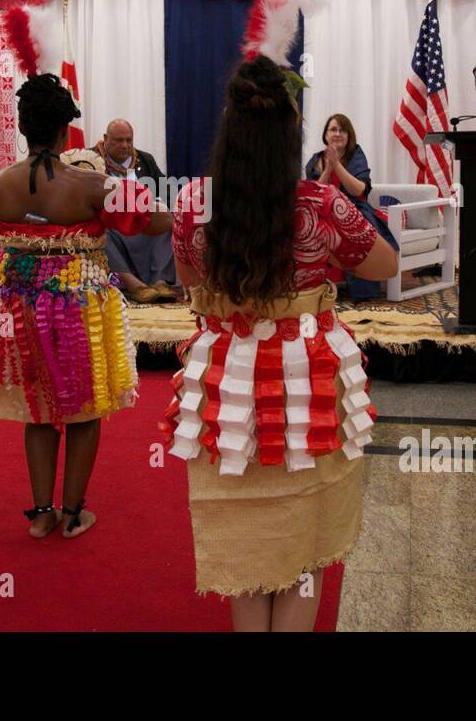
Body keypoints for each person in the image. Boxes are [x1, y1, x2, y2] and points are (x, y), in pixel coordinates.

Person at [161, 50, 399, 632]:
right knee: (302, 548)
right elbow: (385, 263)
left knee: (248, 542)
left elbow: (191, 283)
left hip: (227, 380)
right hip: (307, 380)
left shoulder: (194, 204)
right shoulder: (321, 204)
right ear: (292, 136)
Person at [0, 68, 170, 539]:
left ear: (21, 126)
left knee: (37, 408)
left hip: (16, 306)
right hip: (77, 305)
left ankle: (41, 514)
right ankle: (74, 513)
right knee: (83, 408)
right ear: (63, 131)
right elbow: (152, 223)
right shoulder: (91, 186)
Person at [94, 118, 180, 303]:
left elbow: (167, 190)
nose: (125, 145)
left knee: (166, 220)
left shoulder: (144, 159)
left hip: (143, 222)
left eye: (129, 140)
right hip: (113, 226)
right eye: (118, 140)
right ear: (105, 138)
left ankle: (160, 282)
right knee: (100, 229)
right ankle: (132, 285)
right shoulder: (91, 160)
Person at [305, 113, 382, 301]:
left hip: (354, 208)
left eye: (342, 130)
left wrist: (337, 165)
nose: (337, 133)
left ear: (349, 136)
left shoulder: (356, 154)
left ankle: (362, 291)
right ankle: (311, 285)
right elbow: (315, 192)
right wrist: (328, 169)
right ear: (325, 135)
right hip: (323, 210)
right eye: (333, 129)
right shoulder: (316, 159)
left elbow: (359, 190)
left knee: (356, 232)